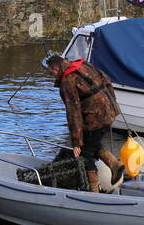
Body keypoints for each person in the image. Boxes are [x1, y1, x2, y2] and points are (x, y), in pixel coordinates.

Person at [43, 53, 124, 192]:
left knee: (84, 153)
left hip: (95, 118)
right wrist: (113, 103)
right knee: (90, 143)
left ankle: (93, 191)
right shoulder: (83, 64)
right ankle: (114, 165)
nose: (52, 75)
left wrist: (76, 142)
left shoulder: (67, 82)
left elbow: (73, 113)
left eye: (51, 72)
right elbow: (106, 80)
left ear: (55, 68)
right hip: (109, 111)